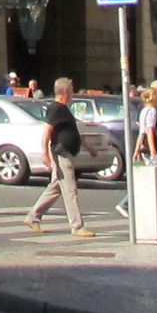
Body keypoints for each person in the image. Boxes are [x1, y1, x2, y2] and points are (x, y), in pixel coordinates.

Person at [22, 78, 91, 237]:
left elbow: (71, 131)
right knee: (70, 189)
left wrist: (89, 148)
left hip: (65, 152)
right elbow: (47, 133)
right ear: (66, 92)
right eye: (72, 89)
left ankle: (33, 217)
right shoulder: (56, 109)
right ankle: (77, 226)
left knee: (56, 187)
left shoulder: (63, 109)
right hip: (61, 153)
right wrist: (44, 153)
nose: (73, 92)